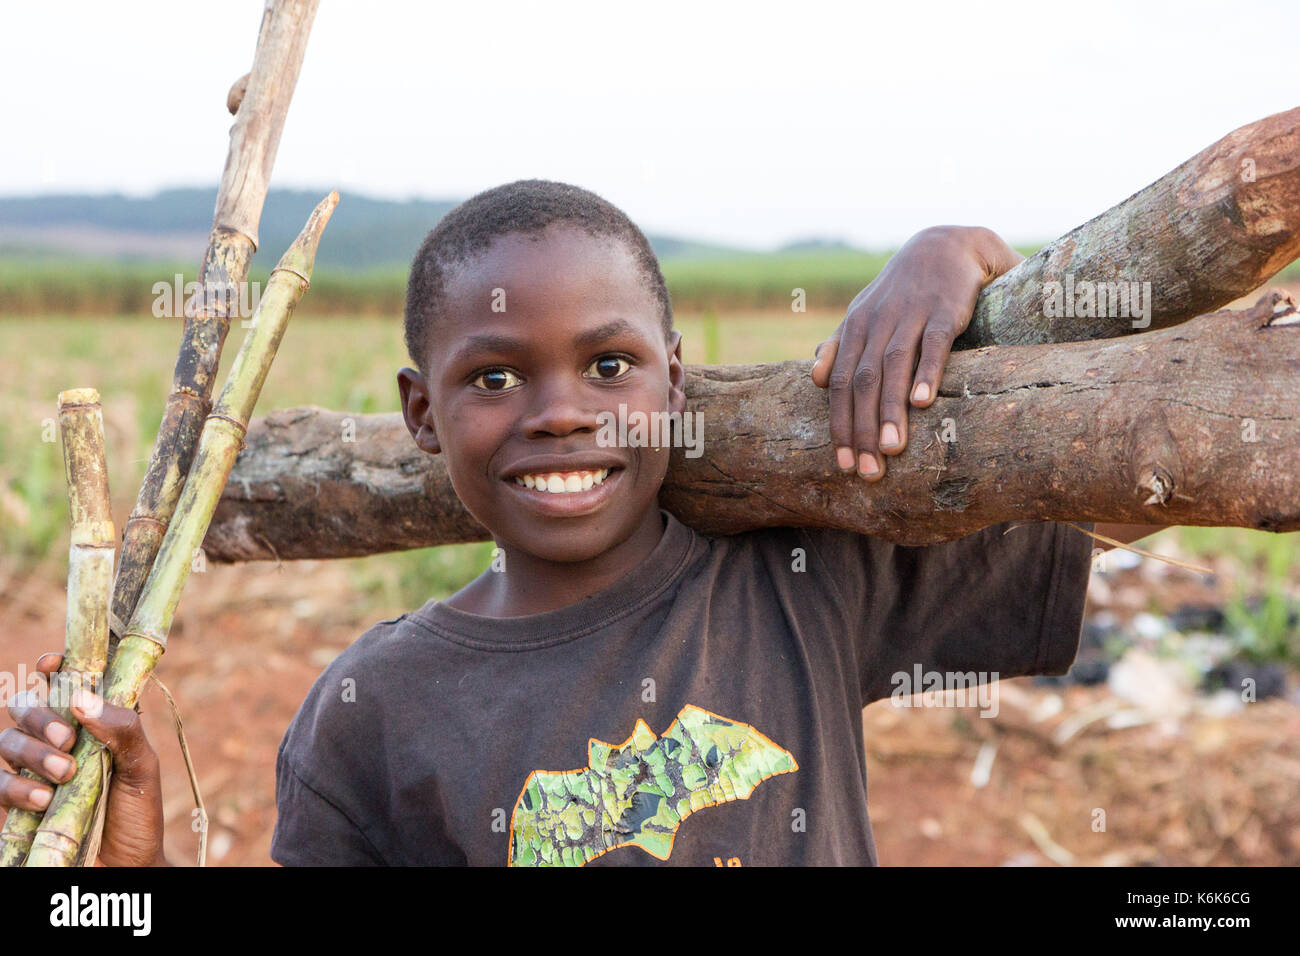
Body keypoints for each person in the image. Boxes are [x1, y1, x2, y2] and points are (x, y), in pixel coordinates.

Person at [0, 180, 1163, 866]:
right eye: (495, 378)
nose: (561, 413)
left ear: (672, 377)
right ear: (420, 409)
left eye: (607, 365)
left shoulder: (806, 581)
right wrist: (121, 861)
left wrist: (962, 258)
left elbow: (1124, 483)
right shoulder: (373, 716)